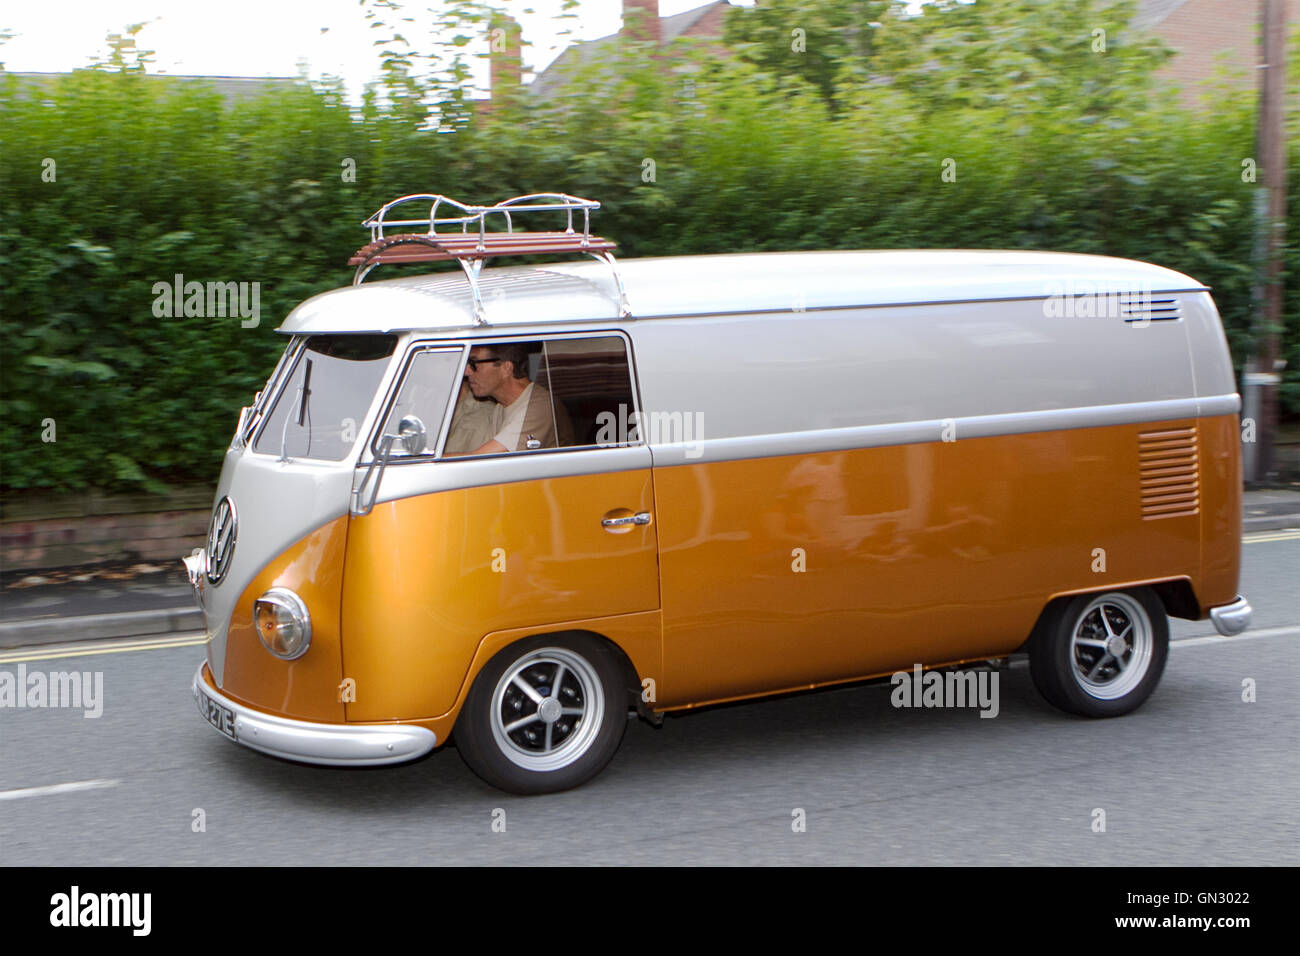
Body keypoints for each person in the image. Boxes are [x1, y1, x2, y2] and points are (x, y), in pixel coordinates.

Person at [446, 343, 573, 455]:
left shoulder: (539, 407)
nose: (467, 372)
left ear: (506, 368)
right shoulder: (501, 406)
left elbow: (480, 459)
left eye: (473, 364)